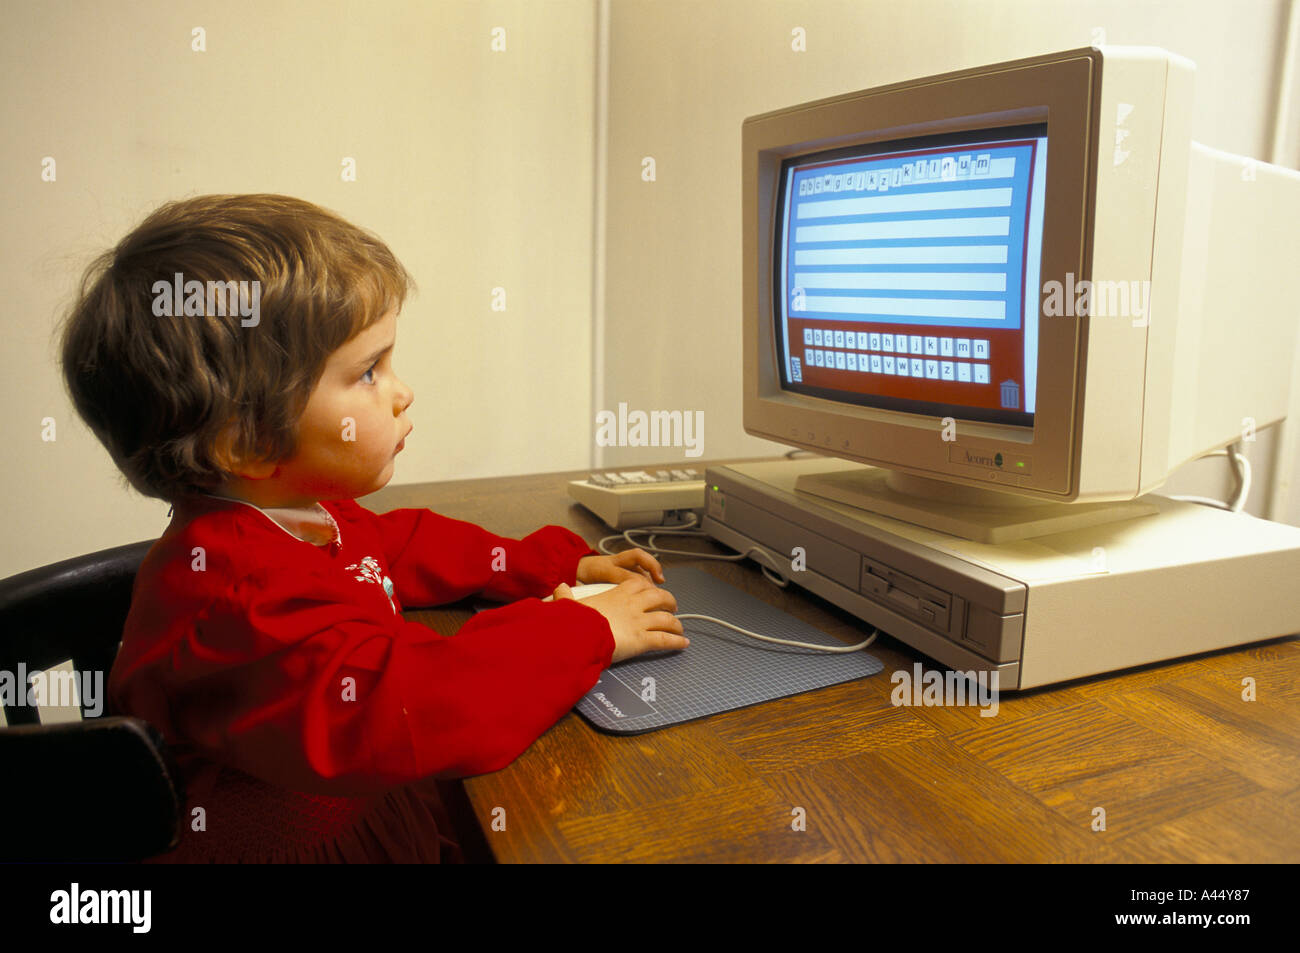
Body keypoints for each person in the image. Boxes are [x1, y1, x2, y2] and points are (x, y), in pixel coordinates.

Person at [58, 194, 689, 862]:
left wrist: (543, 565)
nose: (401, 391)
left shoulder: (295, 509)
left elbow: (394, 547)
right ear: (246, 443)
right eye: (367, 371)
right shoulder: (239, 601)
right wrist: (588, 628)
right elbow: (412, 705)